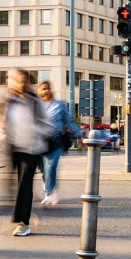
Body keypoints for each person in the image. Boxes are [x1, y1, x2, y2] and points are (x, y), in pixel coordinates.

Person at [0, 69, 50, 236]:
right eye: (16, 80)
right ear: (9, 81)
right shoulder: (5, 99)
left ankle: (23, 222)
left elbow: (46, 124)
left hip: (30, 148)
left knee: (24, 184)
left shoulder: (34, 100)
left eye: (23, 80)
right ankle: (25, 211)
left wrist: (34, 130)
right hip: (11, 146)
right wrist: (0, 133)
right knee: (9, 183)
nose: (20, 83)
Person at [38, 79, 82, 207]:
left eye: (47, 88)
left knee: (50, 166)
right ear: (38, 91)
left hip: (56, 140)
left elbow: (69, 121)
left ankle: (49, 194)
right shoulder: (36, 105)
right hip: (40, 142)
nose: (46, 90)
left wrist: (79, 134)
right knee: (42, 169)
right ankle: (50, 190)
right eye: (43, 89)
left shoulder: (60, 105)